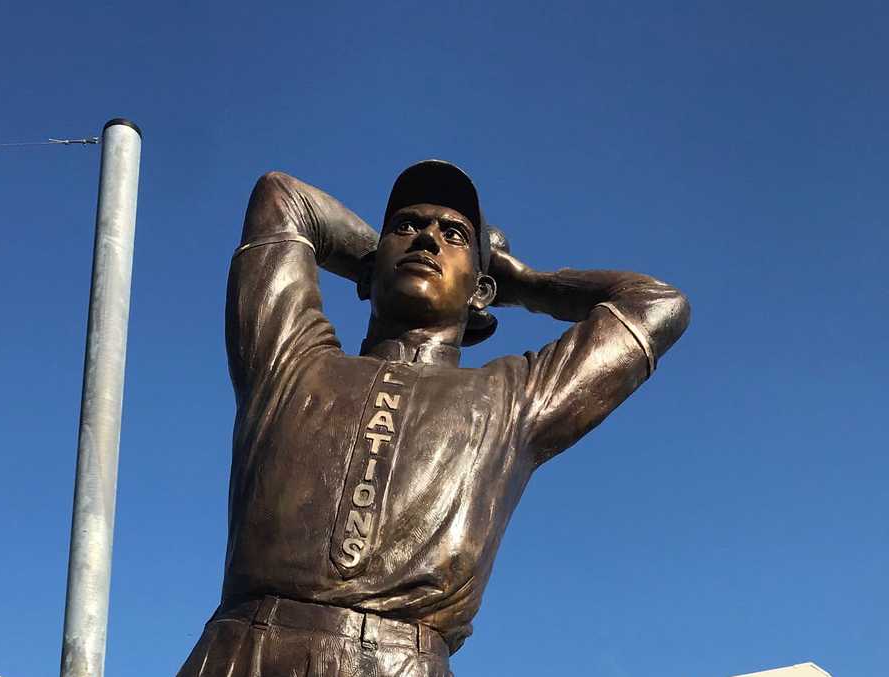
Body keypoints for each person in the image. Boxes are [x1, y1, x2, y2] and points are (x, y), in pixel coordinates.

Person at [178, 161, 690, 677]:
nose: (426, 240)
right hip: (243, 653)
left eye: (453, 236)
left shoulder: (514, 399)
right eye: (406, 227)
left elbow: (657, 305)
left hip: (403, 663)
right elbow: (281, 198)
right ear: (367, 270)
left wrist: (522, 282)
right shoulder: (290, 360)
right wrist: (379, 260)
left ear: (481, 291)